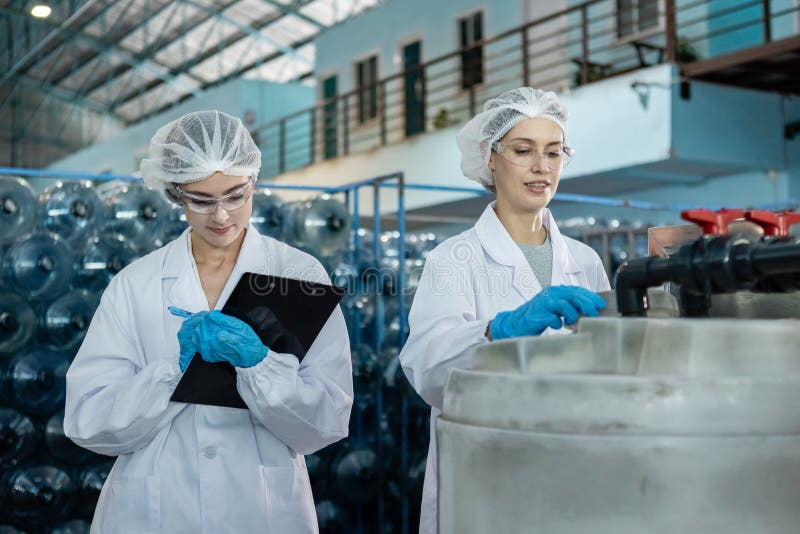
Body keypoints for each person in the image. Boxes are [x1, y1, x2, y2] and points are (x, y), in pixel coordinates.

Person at [64, 110, 353, 533]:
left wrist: (261, 367)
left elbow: (326, 422)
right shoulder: (135, 284)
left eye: (236, 195)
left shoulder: (299, 274)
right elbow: (89, 423)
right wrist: (171, 374)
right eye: (202, 200)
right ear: (176, 194)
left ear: (254, 181)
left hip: (262, 508)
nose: (221, 216)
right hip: (155, 510)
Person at [399, 87, 610, 534]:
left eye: (553, 153)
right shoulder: (453, 259)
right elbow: (428, 372)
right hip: (487, 473)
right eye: (523, 150)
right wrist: (498, 330)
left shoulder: (584, 261)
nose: (541, 167)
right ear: (490, 158)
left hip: (577, 464)